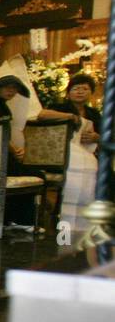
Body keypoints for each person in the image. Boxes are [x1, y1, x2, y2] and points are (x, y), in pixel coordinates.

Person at [0, 64, 39, 231]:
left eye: (14, 89)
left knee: (27, 170)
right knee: (35, 174)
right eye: (7, 87)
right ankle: (19, 220)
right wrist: (14, 150)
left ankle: (11, 219)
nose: (11, 91)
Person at [50, 73, 101, 236]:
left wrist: (96, 137)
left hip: (89, 152)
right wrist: (69, 116)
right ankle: (63, 217)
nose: (80, 92)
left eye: (84, 88)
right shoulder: (60, 107)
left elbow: (105, 135)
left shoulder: (94, 114)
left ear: (91, 93)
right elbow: (41, 115)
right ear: (68, 92)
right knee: (77, 167)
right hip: (64, 152)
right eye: (76, 88)